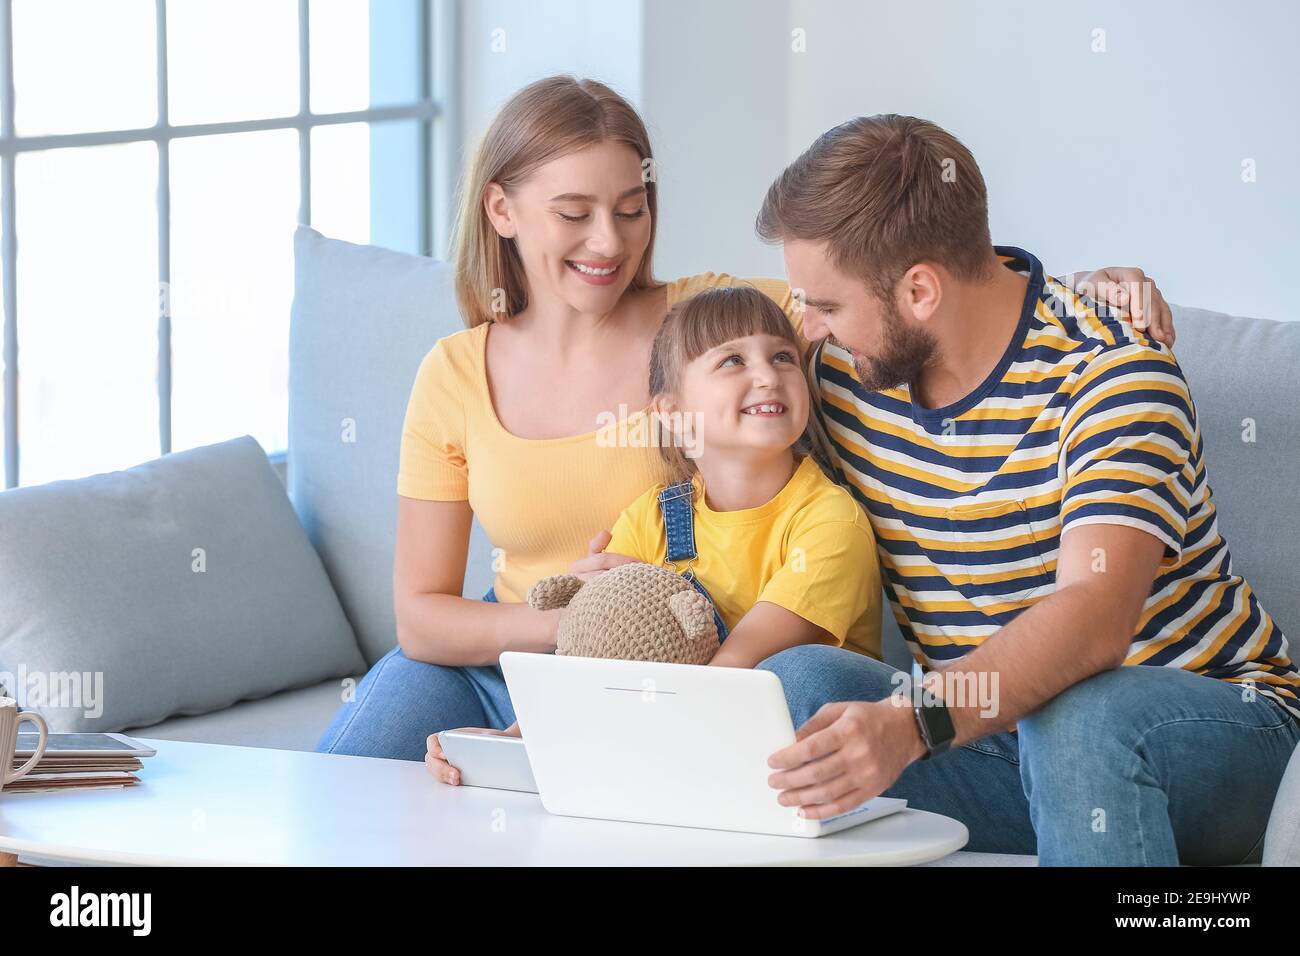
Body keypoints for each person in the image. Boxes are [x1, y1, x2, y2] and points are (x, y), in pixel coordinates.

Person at [311, 74, 1176, 766]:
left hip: (695, 664)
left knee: (785, 688)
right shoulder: (455, 371)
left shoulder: (727, 324)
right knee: (359, 752)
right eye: (573, 214)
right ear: (502, 211)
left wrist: (1092, 288)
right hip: (516, 668)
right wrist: (583, 632)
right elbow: (422, 616)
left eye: (632, 208)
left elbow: (915, 289)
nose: (608, 242)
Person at [752, 113, 1300, 865]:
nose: (806, 329)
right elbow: (691, 344)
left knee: (1082, 719)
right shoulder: (839, 368)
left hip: (1205, 740)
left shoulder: (1114, 373)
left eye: (826, 306)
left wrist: (912, 723)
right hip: (996, 745)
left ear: (918, 291)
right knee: (792, 688)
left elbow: (1093, 620)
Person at [426, 285, 883, 782]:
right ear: (671, 413)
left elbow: (739, 662)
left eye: (782, 357)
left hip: (785, 737)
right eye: (732, 361)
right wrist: (516, 740)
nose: (767, 376)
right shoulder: (655, 517)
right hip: (685, 737)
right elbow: (595, 650)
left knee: (795, 672)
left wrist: (657, 593)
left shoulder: (831, 522)